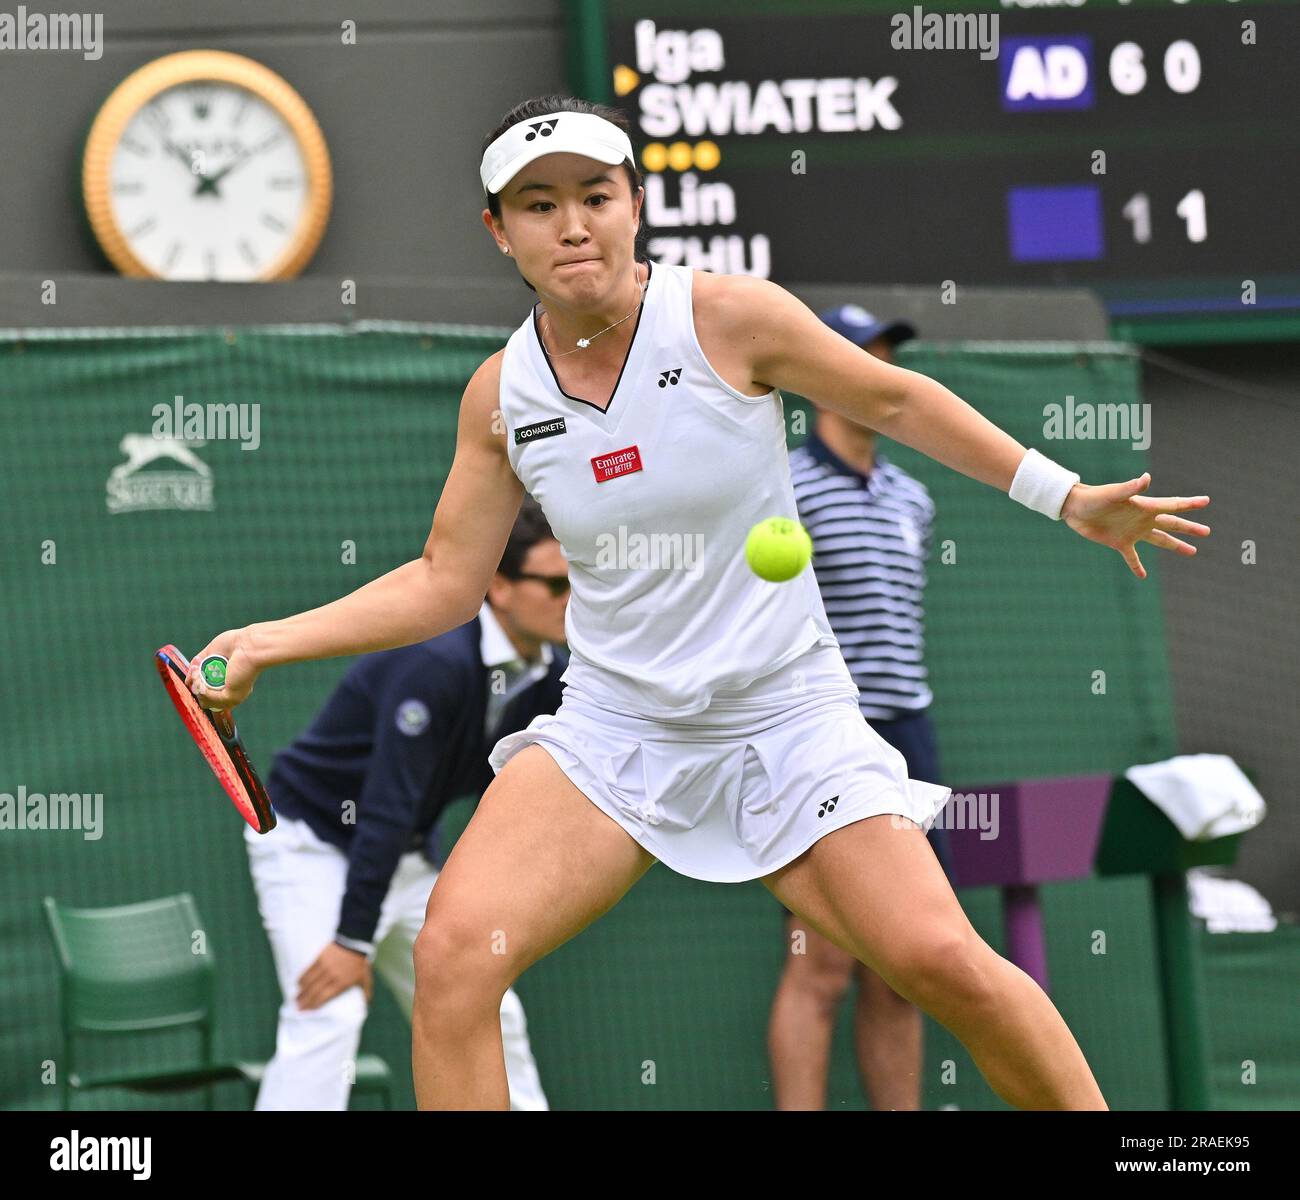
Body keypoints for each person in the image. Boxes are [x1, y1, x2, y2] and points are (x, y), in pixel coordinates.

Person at [184, 94, 1211, 1111]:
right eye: (537, 205)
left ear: (636, 202)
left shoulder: (729, 317)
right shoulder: (502, 396)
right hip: (614, 727)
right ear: (498, 231)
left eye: (595, 194)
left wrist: (1066, 496)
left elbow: (890, 399)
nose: (573, 224)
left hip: (786, 718)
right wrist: (267, 643)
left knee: (937, 959)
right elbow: (445, 580)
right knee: (455, 959)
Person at [242, 498, 566, 1110]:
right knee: (327, 1012)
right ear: (498, 587)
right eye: (554, 583)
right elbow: (387, 805)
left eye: (579, 582)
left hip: (406, 856)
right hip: (312, 843)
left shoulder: (553, 675)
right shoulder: (434, 662)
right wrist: (351, 941)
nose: (571, 600)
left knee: (486, 1004)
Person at [769, 307, 953, 1111]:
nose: (882, 372)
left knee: (908, 965)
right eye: (864, 356)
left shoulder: (914, 499)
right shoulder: (780, 488)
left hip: (909, 735)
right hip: (820, 738)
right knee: (821, 965)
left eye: (887, 356)